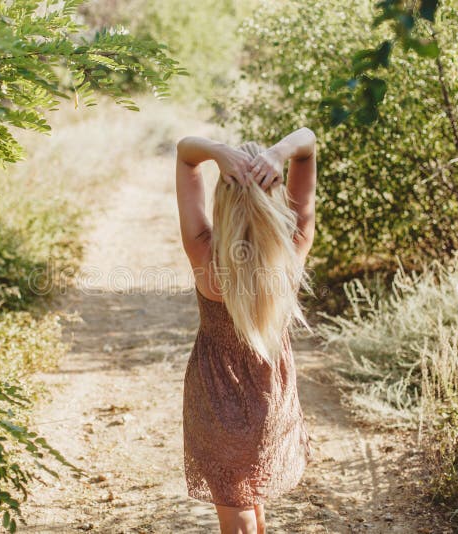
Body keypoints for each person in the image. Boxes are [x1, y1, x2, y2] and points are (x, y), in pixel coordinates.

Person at [175, 127, 318, 534]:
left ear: (222, 198)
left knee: (236, 511)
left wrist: (219, 152)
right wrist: (281, 152)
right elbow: (306, 146)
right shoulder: (292, 248)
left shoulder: (204, 250)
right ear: (275, 197)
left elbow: (185, 155)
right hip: (271, 398)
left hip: (215, 399)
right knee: (250, 500)